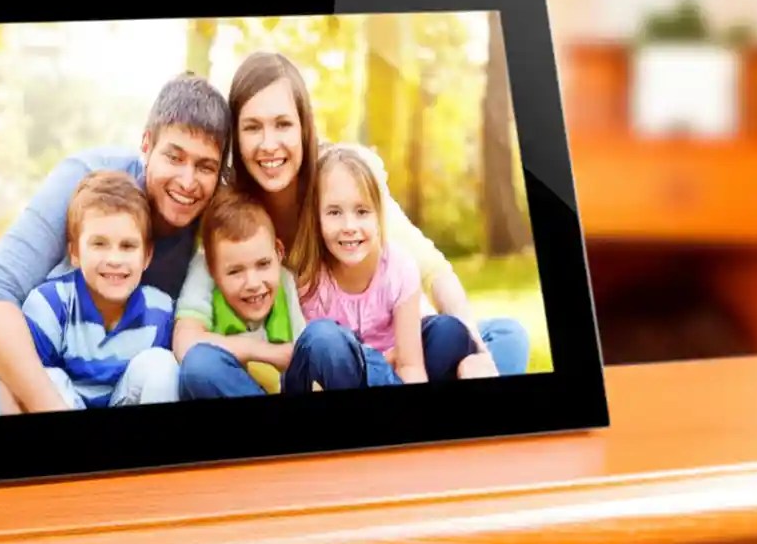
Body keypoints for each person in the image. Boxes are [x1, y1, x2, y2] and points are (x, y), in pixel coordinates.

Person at [174, 51, 529, 385]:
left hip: (387, 352)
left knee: (506, 336)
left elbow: (432, 270)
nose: (269, 144)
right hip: (318, 360)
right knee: (314, 348)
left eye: (283, 124)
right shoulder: (233, 212)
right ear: (236, 133)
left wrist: (478, 354)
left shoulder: (342, 181)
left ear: (304, 128)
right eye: (253, 127)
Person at [0, 73, 231, 416]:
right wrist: (50, 406)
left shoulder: (216, 222)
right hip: (52, 355)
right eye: (175, 157)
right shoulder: (89, 181)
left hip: (128, 376)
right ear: (147, 144)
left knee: (162, 365)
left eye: (205, 167)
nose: (187, 181)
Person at [177, 189, 402, 399]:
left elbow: (310, 351)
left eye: (263, 264)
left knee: (327, 336)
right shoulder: (206, 282)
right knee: (199, 364)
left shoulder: (286, 280)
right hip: (240, 388)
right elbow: (187, 348)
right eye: (235, 271)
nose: (253, 283)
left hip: (292, 385)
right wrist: (269, 353)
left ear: (278, 252)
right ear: (212, 270)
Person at [297, 147, 480, 383]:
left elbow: (410, 366)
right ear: (316, 217)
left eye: (362, 211)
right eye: (334, 212)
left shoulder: (399, 269)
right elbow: (322, 360)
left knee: (449, 332)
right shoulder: (310, 281)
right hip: (346, 376)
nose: (349, 225)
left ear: (378, 215)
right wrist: (380, 360)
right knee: (324, 339)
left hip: (395, 370)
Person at [1, 171, 178, 411]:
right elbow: (21, 382)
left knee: (161, 363)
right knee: (47, 377)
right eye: (99, 244)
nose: (114, 259)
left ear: (147, 256)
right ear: (74, 253)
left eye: (127, 246)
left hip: (125, 398)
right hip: (63, 403)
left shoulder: (161, 310)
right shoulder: (50, 304)